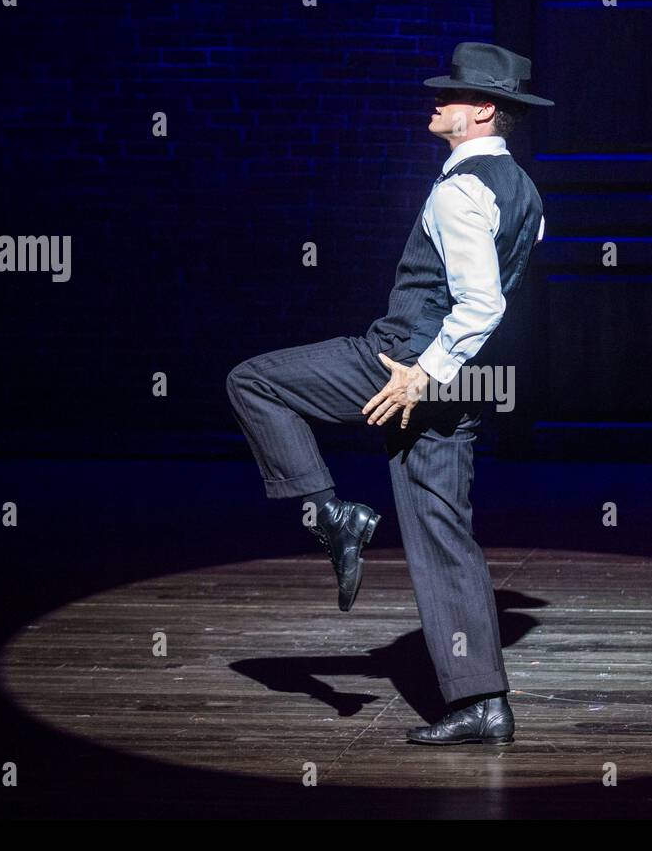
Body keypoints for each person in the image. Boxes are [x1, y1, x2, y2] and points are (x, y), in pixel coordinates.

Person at [226, 42, 553, 746]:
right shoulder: (524, 191)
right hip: (455, 383)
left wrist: (420, 372)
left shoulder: (462, 189)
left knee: (252, 380)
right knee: (442, 534)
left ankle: (330, 513)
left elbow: (483, 303)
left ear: (484, 111)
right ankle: (483, 702)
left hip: (405, 363)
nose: (438, 101)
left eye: (453, 95)